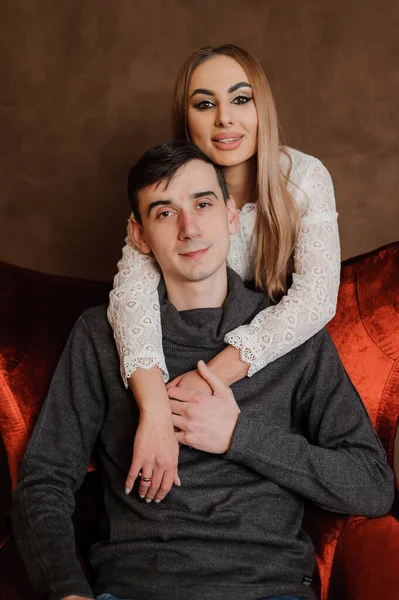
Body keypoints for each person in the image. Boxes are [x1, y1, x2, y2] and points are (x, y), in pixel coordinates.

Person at [12, 141, 394, 600]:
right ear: (139, 235)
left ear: (231, 215)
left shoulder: (292, 339)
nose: (190, 229)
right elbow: (44, 481)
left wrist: (239, 436)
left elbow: (372, 485)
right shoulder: (100, 335)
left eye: (203, 204)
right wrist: (67, 591)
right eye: (165, 213)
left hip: (268, 590)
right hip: (139, 589)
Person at [107, 44, 342, 502]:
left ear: (262, 107)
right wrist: (155, 410)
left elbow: (316, 298)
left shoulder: (303, 177)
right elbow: (130, 295)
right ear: (186, 118)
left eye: (240, 98)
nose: (224, 120)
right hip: (182, 356)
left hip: (270, 369)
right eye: (204, 104)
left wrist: (209, 377)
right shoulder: (168, 191)